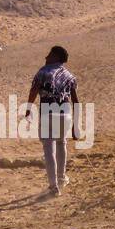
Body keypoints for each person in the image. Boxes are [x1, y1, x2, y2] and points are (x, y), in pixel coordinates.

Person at [26, 45, 80, 196]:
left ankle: (53, 186)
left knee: (48, 148)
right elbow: (76, 101)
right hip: (65, 114)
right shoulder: (70, 76)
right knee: (61, 143)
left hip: (47, 113)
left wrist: (28, 108)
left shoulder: (43, 72)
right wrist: (76, 126)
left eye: (49, 54)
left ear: (56, 57)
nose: (46, 57)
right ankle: (61, 179)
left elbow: (34, 90)